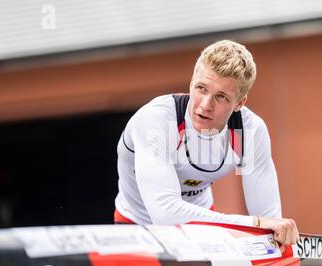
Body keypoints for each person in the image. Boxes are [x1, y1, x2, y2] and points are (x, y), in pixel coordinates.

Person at [114, 40, 299, 245]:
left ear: (239, 103)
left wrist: (278, 235)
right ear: (192, 82)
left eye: (221, 97)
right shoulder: (158, 120)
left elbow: (270, 220)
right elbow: (164, 214)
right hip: (139, 223)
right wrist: (253, 223)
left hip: (202, 225)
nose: (205, 105)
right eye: (201, 88)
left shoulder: (247, 132)